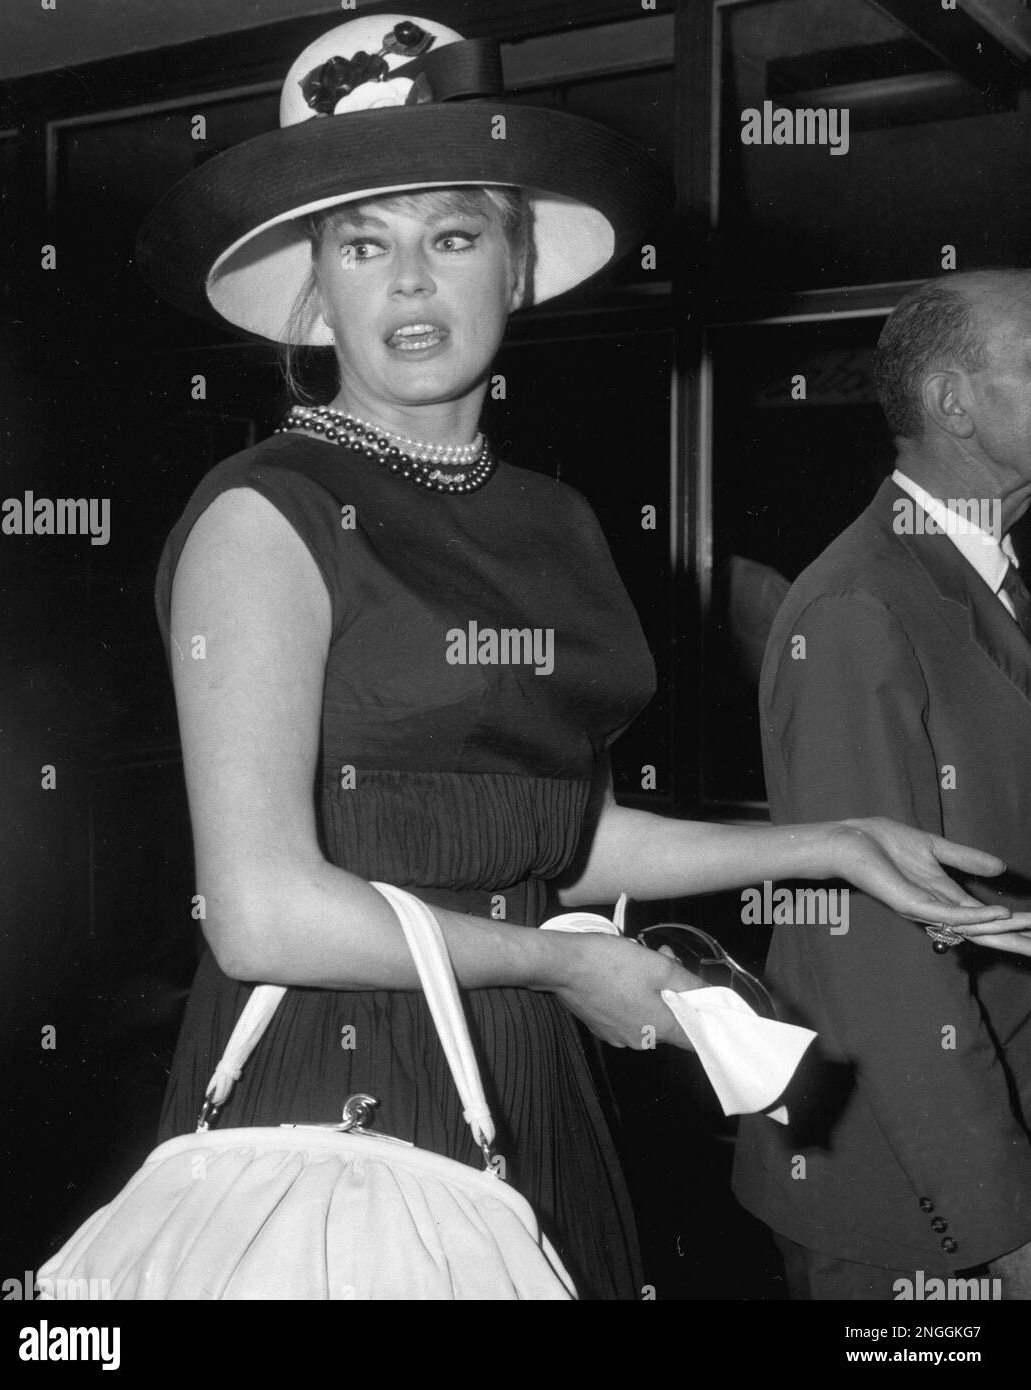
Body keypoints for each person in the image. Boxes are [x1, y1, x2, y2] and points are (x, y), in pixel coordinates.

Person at [138, 18, 1031, 1299]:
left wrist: (824, 843)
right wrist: (568, 958)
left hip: (522, 1067)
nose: (406, 285)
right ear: (310, 288)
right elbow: (263, 911)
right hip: (339, 1086)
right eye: (361, 243)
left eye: (450, 237)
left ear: (516, 266)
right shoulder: (260, 514)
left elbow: (553, 836)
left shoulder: (549, 520)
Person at [733, 270, 1031, 1300]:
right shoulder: (859, 606)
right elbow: (878, 956)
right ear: (955, 404)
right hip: (909, 1211)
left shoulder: (992, 579)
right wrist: (1004, 1225)